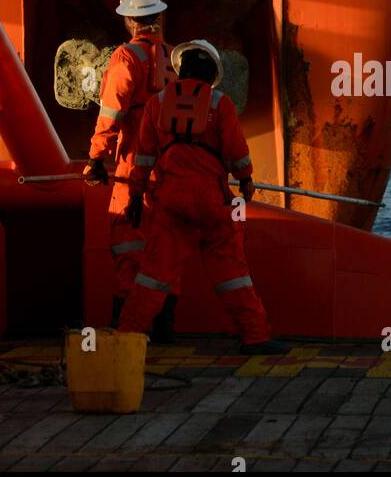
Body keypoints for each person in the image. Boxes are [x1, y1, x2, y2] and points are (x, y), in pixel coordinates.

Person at [117, 39, 282, 353]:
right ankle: (255, 337)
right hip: (212, 202)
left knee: (152, 275)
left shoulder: (157, 103)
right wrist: (246, 182)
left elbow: (143, 159)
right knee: (232, 273)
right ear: (211, 74)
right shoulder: (220, 104)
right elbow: (237, 154)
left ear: (181, 69)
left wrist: (136, 198)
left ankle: (128, 336)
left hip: (170, 202)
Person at [83, 0, 177, 333]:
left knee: (129, 245)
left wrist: (96, 159)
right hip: (170, 168)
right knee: (164, 248)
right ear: (158, 16)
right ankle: (164, 325)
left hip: (133, 168)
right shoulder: (172, 57)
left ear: (128, 20)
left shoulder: (126, 58)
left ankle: (127, 328)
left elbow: (111, 112)